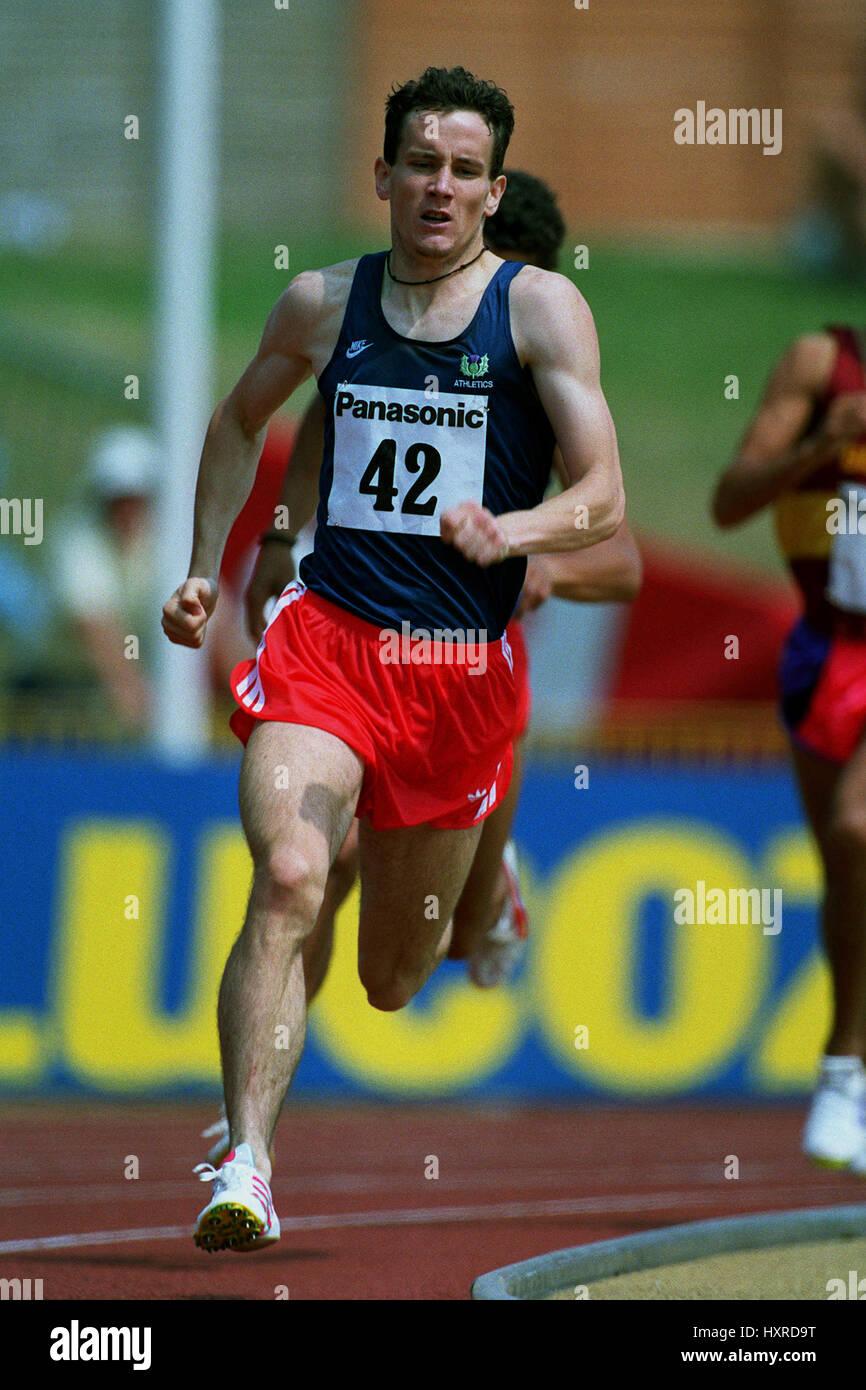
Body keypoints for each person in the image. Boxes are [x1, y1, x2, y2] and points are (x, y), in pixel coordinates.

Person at [163, 65, 625, 1252]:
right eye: (420, 163)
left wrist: (513, 532)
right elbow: (242, 419)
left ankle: (489, 881)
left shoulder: (539, 314)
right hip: (329, 644)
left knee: (391, 977)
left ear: (492, 189)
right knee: (291, 872)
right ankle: (247, 1161)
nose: (439, 186)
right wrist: (214, 557)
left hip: (458, 679)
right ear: (382, 175)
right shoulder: (324, 302)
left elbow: (605, 498)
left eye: (463, 170)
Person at [712, 325, 866, 1174]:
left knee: (856, 831)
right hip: (828, 651)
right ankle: (851, 1080)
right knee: (846, 873)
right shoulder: (820, 363)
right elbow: (729, 501)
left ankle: (842, 1067)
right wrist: (824, 444)